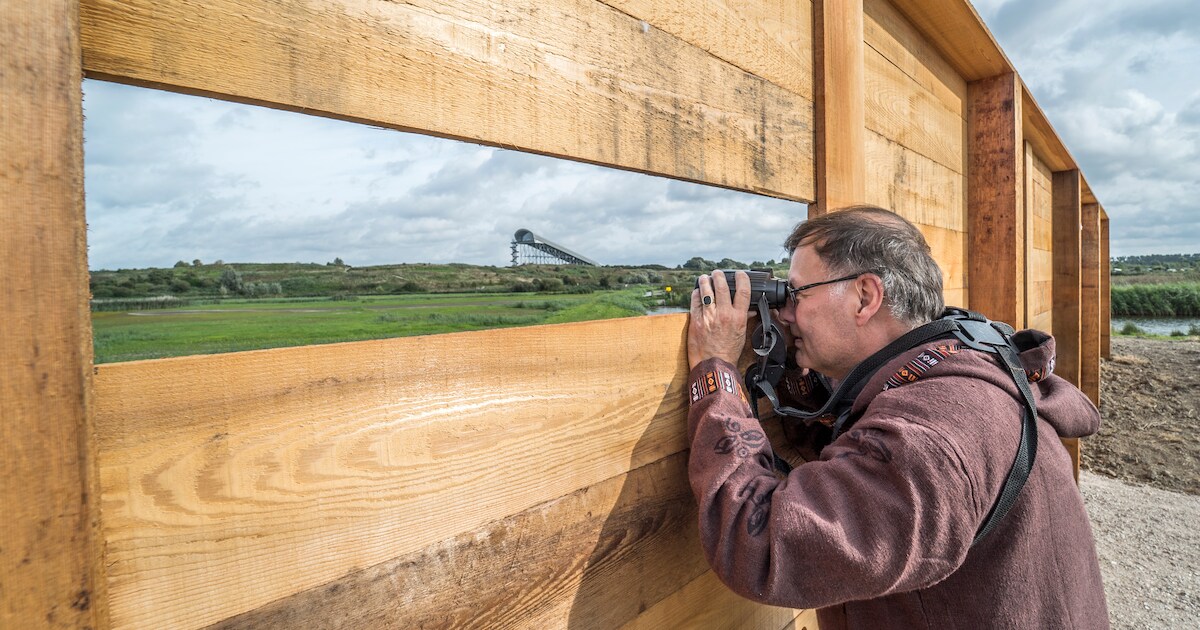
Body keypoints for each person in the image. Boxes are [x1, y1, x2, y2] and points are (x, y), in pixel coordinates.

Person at [685, 206, 1108, 628]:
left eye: (797, 295)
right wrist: (791, 358)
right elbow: (856, 453)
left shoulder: (932, 434)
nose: (787, 314)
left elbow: (759, 544)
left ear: (866, 297)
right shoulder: (966, 369)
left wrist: (715, 371)